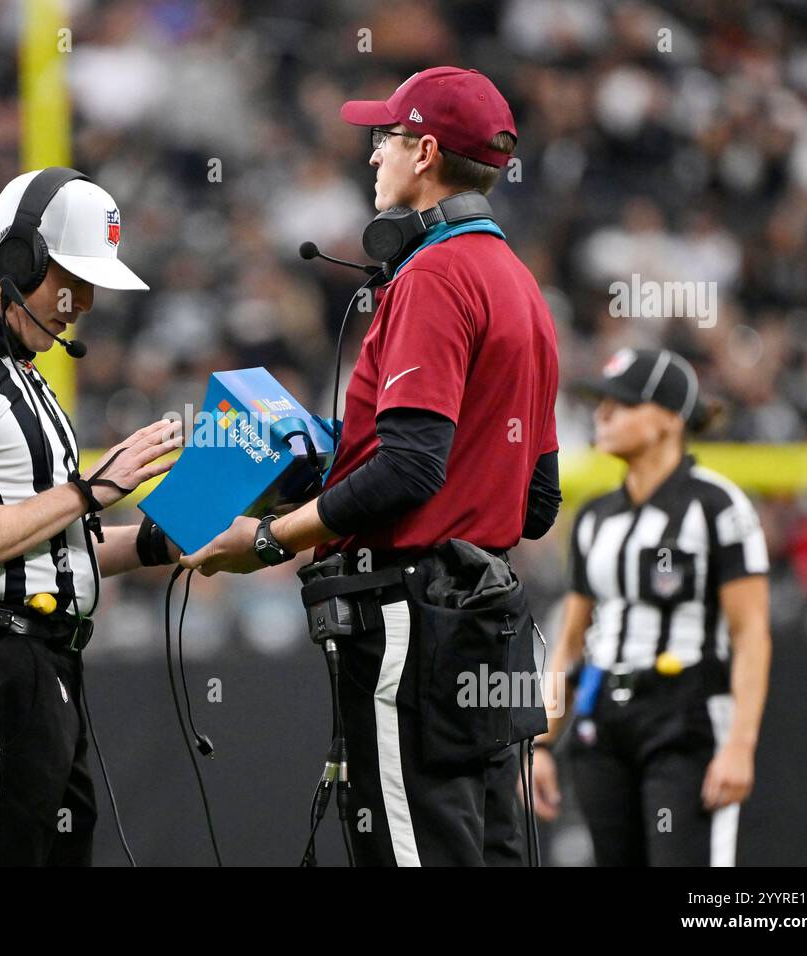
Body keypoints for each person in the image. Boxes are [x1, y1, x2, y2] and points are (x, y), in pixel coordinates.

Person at [184, 67, 562, 866]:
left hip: (411, 618)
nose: (372, 156)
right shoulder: (522, 287)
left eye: (384, 138)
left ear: (425, 152)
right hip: (486, 620)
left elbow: (410, 472)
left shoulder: (432, 276)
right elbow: (537, 501)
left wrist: (271, 539)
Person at [0, 167, 182, 866]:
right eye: (71, 279)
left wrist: (178, 535)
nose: (83, 302)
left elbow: (63, 547)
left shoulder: (20, 366)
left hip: (42, 664)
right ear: (19, 259)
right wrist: (88, 491)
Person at [530, 347, 771, 866]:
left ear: (667, 418)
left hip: (686, 715)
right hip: (605, 721)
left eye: (621, 404)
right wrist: (544, 743)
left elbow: (751, 632)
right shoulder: (594, 517)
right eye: (600, 403)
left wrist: (740, 746)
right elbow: (571, 640)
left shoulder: (716, 506)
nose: (603, 415)